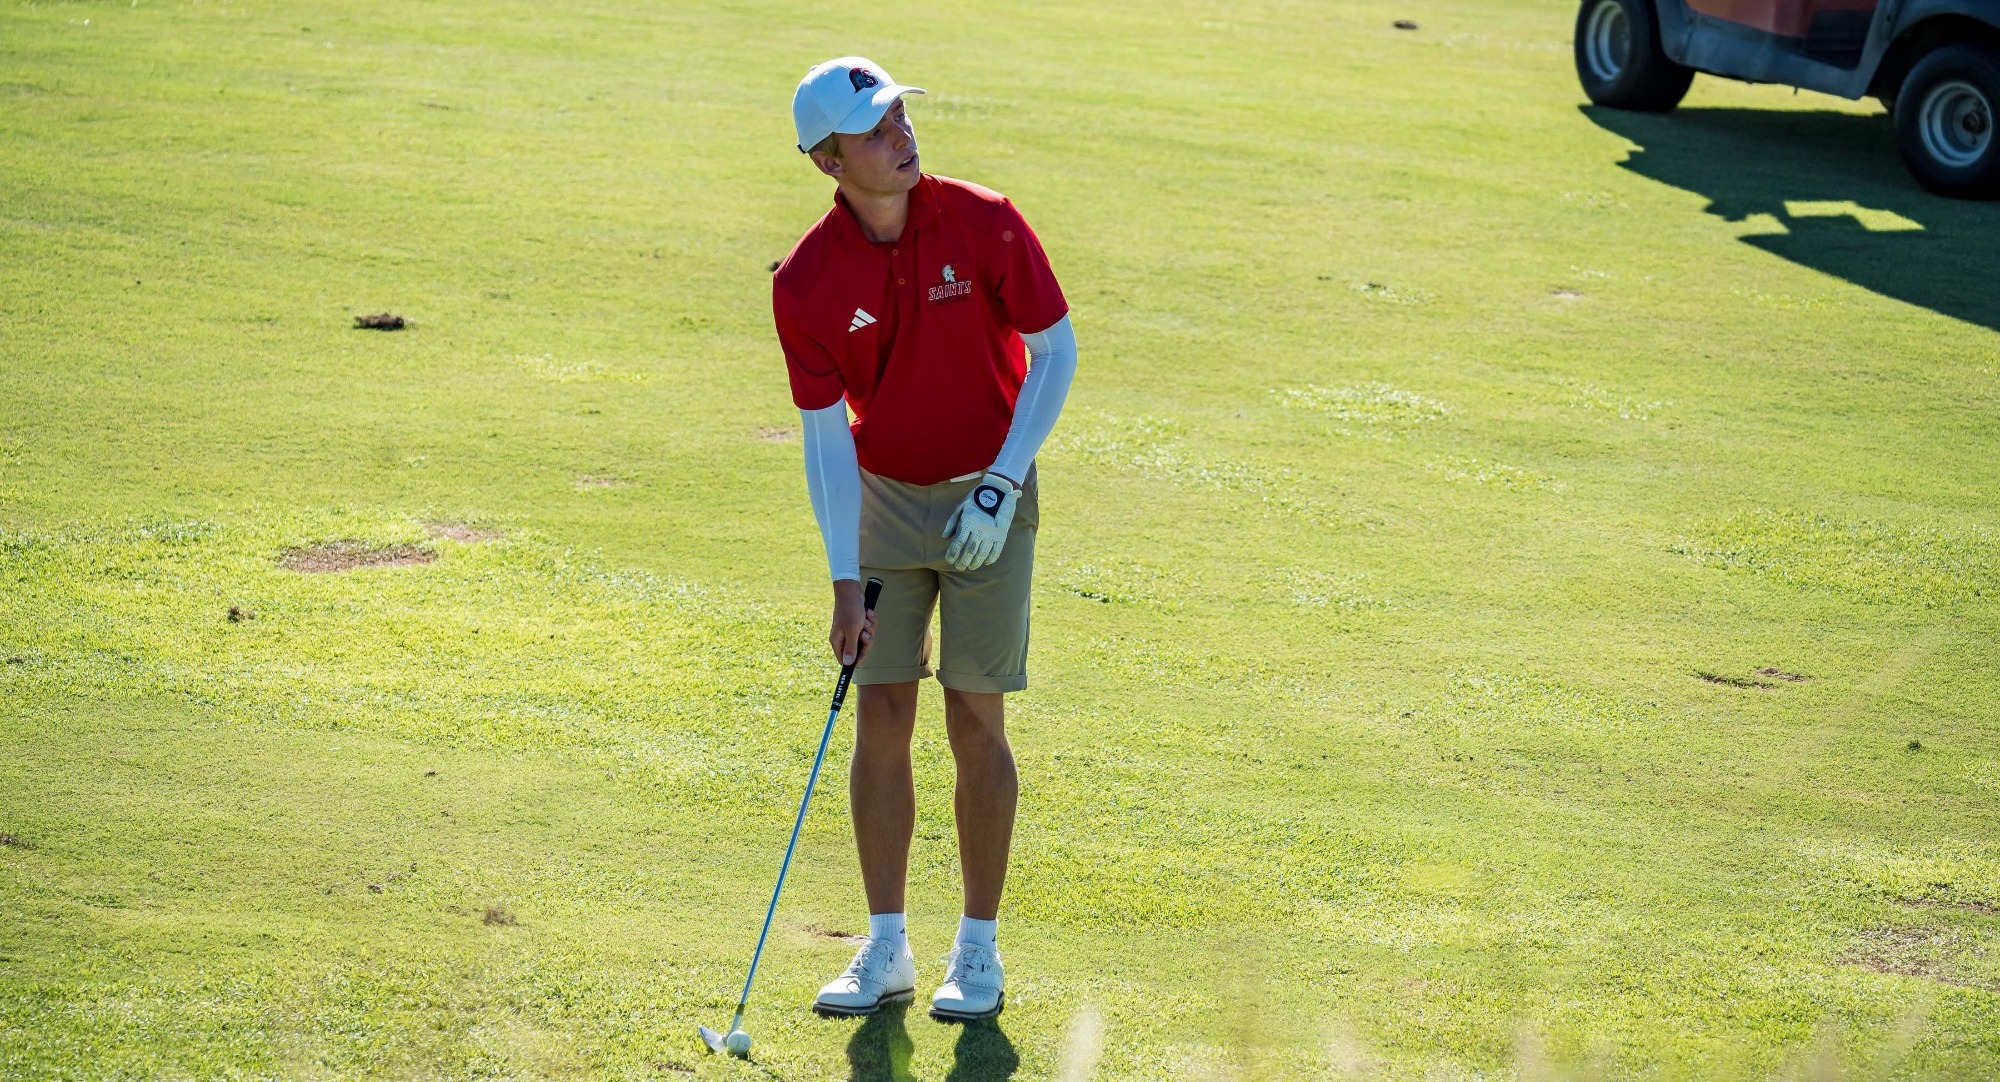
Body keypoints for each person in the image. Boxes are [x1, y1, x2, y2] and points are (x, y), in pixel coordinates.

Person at [771, 56, 1077, 1023]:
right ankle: (888, 947)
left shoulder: (983, 217)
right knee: (882, 717)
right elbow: (826, 444)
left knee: (975, 719)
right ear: (828, 161)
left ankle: (976, 954)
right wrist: (842, 579)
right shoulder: (808, 282)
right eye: (874, 128)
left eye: (899, 113)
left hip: (991, 493)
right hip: (886, 504)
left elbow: (1055, 349)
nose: (900, 133)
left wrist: (1002, 479)